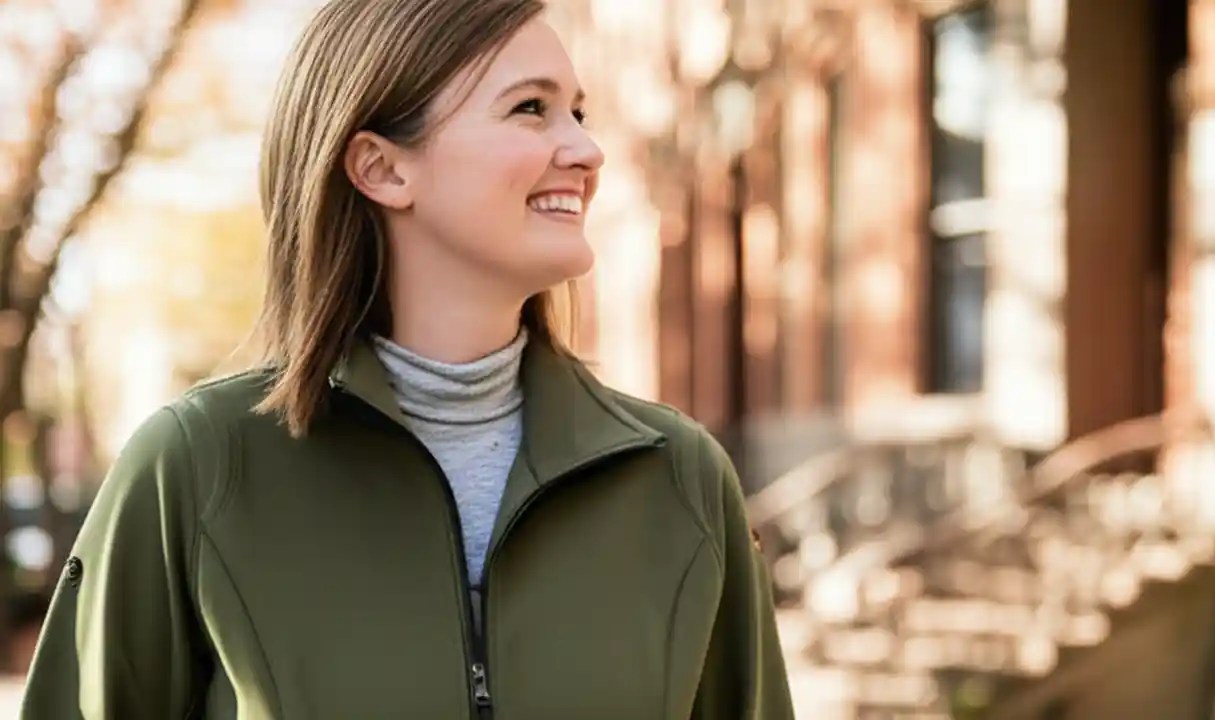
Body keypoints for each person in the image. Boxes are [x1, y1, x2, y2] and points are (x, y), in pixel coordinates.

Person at [20, 0, 795, 717]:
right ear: (383, 168)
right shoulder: (198, 470)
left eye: (578, 112)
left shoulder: (680, 481)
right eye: (531, 108)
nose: (586, 150)